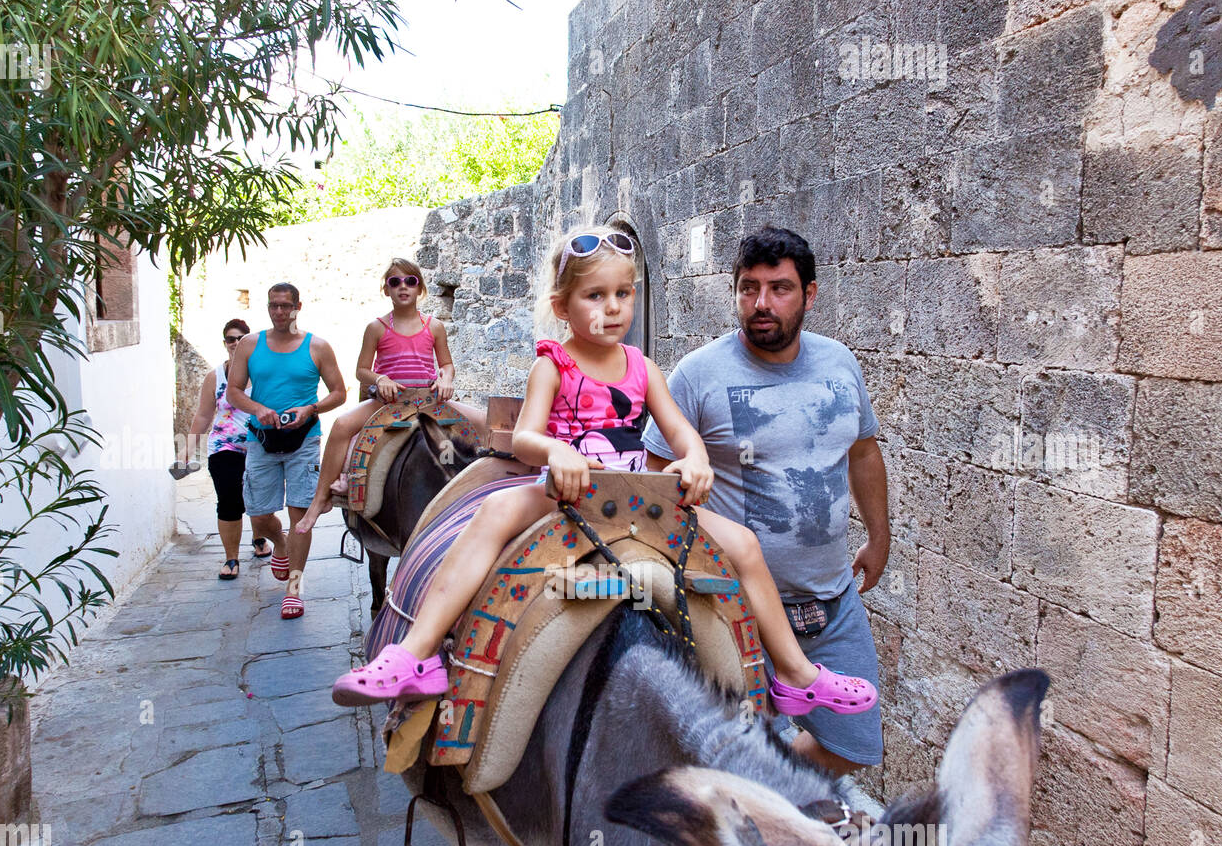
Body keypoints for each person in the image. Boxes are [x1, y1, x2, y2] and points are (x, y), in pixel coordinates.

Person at [330, 225, 877, 717]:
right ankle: (417, 652)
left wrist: (695, 456)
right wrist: (557, 453)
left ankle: (795, 673)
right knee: (495, 511)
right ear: (563, 307)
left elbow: (679, 429)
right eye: (596, 296)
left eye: (623, 294)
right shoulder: (554, 364)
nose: (613, 308)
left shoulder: (642, 367)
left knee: (745, 547)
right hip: (567, 491)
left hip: (639, 496)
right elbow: (525, 434)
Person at [642, 225, 891, 776]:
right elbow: (656, 479)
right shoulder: (698, 375)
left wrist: (879, 536)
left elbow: (864, 452)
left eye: (779, 288)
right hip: (729, 607)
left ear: (810, 294)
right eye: (748, 288)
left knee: (853, 747)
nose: (761, 303)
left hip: (831, 600)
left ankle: (767, 794)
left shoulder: (839, 363)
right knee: (728, 752)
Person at [295, 258, 455, 535]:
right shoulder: (377, 328)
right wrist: (380, 379)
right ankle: (322, 498)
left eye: (410, 281)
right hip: (390, 404)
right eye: (395, 282)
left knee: (484, 423)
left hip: (430, 402)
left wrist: (446, 378)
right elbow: (361, 370)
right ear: (386, 290)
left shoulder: (435, 326)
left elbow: (447, 364)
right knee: (342, 426)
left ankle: (484, 491)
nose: (402, 287)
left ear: (420, 289)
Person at [224, 282, 348, 618]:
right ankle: (279, 545)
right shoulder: (249, 345)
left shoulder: (317, 347)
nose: (279, 312)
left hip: (304, 441)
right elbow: (234, 391)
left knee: (301, 518)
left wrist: (311, 409)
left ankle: (294, 589)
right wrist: (257, 408)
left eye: (286, 306)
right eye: (273, 306)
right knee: (259, 514)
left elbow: (339, 393)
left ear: (298, 307)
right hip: (261, 440)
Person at [183, 317, 275, 579]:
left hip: (261, 446)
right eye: (230, 339)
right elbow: (203, 415)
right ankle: (231, 559)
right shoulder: (215, 376)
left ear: (249, 341)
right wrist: (188, 447)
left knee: (259, 502)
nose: (235, 343)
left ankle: (259, 539)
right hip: (224, 448)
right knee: (229, 501)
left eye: (240, 338)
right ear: (225, 343)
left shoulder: (262, 373)